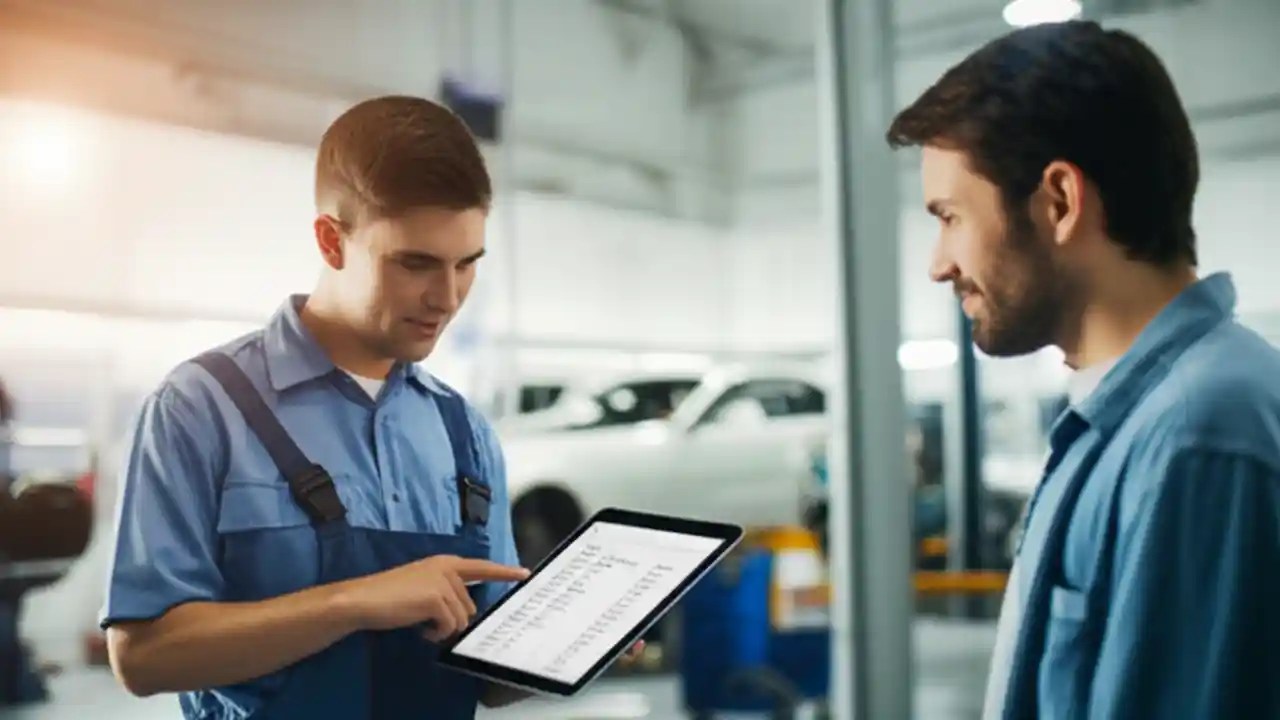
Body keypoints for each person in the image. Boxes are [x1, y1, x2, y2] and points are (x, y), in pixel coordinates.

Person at [100, 96, 635, 719]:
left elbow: (486, 678)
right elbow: (142, 657)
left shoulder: (464, 434)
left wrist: (575, 650)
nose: (446, 297)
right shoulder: (200, 408)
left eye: (467, 265)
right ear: (331, 240)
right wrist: (354, 602)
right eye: (416, 264)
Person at [888, 20, 1280, 720]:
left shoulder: (1198, 436)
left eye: (950, 216)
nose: (937, 263)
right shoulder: (1127, 418)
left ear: (1060, 203)